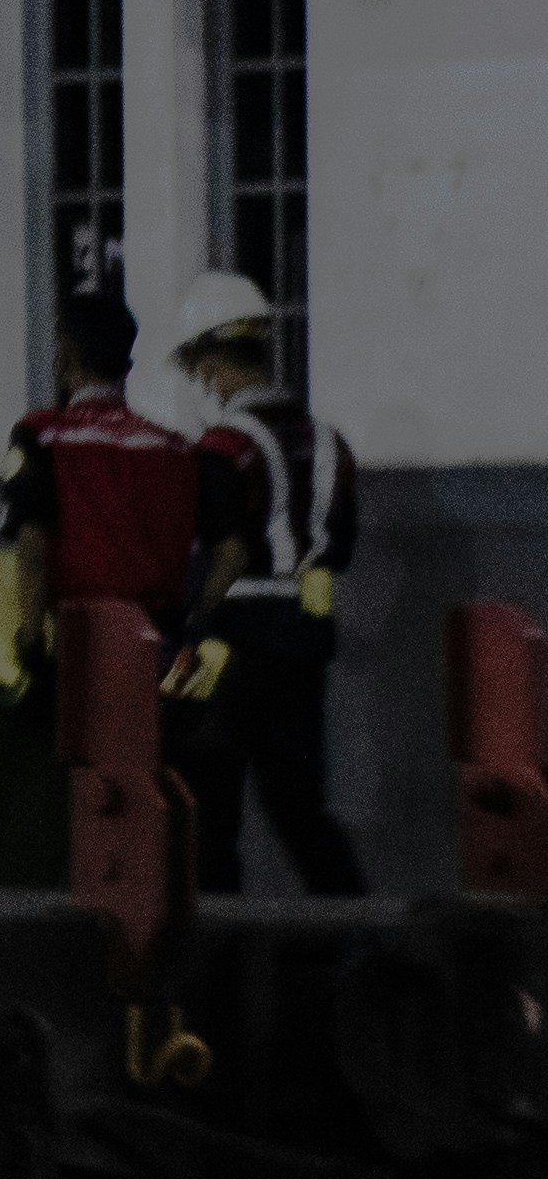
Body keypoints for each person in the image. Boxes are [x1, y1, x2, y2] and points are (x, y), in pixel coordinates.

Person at [168, 267, 367, 897]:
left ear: (206, 359)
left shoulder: (224, 446)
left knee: (208, 812)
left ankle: (218, 969)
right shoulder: (330, 443)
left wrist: (187, 632)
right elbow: (338, 548)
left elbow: (214, 552)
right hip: (302, 644)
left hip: (227, 646)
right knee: (302, 813)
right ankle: (358, 946)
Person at [4, 287, 206, 661]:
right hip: (162, 642)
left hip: (84, 642)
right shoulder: (177, 448)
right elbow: (196, 554)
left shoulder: (42, 436)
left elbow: (32, 541)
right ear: (127, 367)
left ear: (64, 355)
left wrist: (30, 635)